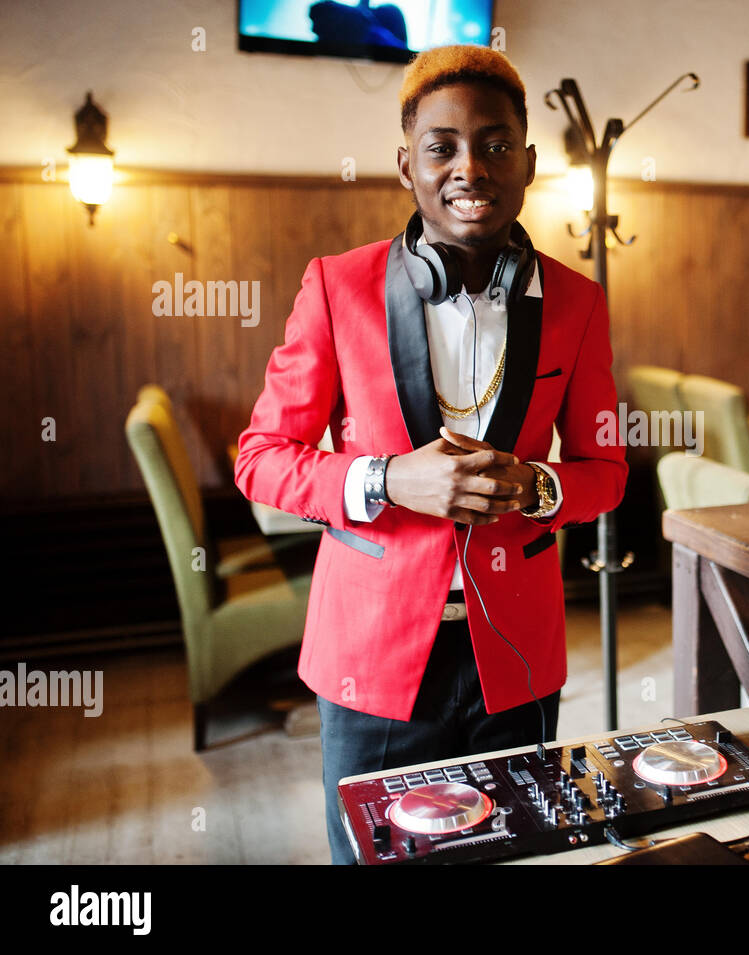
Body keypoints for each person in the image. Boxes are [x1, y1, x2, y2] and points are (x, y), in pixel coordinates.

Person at [233, 44, 627, 864]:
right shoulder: (336, 286)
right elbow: (261, 457)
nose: (470, 167)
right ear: (405, 164)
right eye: (442, 146)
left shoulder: (579, 302)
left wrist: (540, 485)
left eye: (494, 143)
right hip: (371, 655)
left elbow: (607, 471)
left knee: (515, 854)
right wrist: (385, 478)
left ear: (528, 160)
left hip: (517, 657)